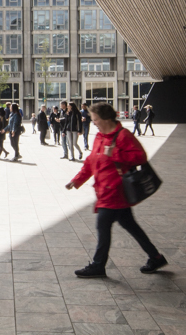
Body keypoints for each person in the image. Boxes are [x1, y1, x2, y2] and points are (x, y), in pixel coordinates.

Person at [66, 102, 167, 276]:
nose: (94, 122)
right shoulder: (99, 137)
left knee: (103, 226)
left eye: (96, 119)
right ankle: (155, 257)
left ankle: (98, 265)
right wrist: (77, 180)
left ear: (105, 119)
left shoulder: (122, 136)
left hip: (115, 192)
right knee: (131, 226)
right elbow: (91, 162)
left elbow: (140, 156)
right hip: (106, 191)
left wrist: (115, 154)